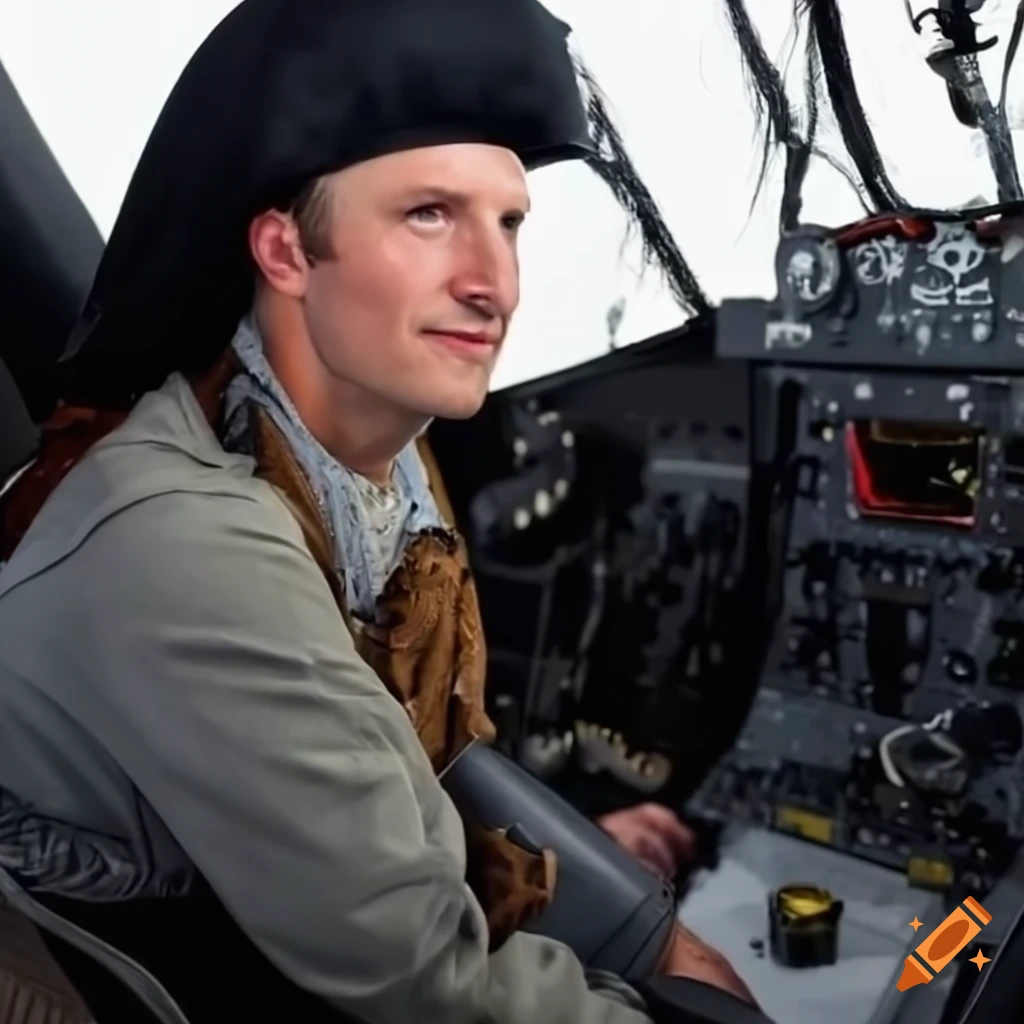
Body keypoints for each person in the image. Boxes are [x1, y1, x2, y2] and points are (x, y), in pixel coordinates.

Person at [0, 1, 753, 1021]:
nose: (495, 283)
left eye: (509, 222)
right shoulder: (185, 544)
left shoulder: (372, 475)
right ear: (286, 253)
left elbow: (403, 758)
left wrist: (609, 896)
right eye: (428, 215)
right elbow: (431, 989)